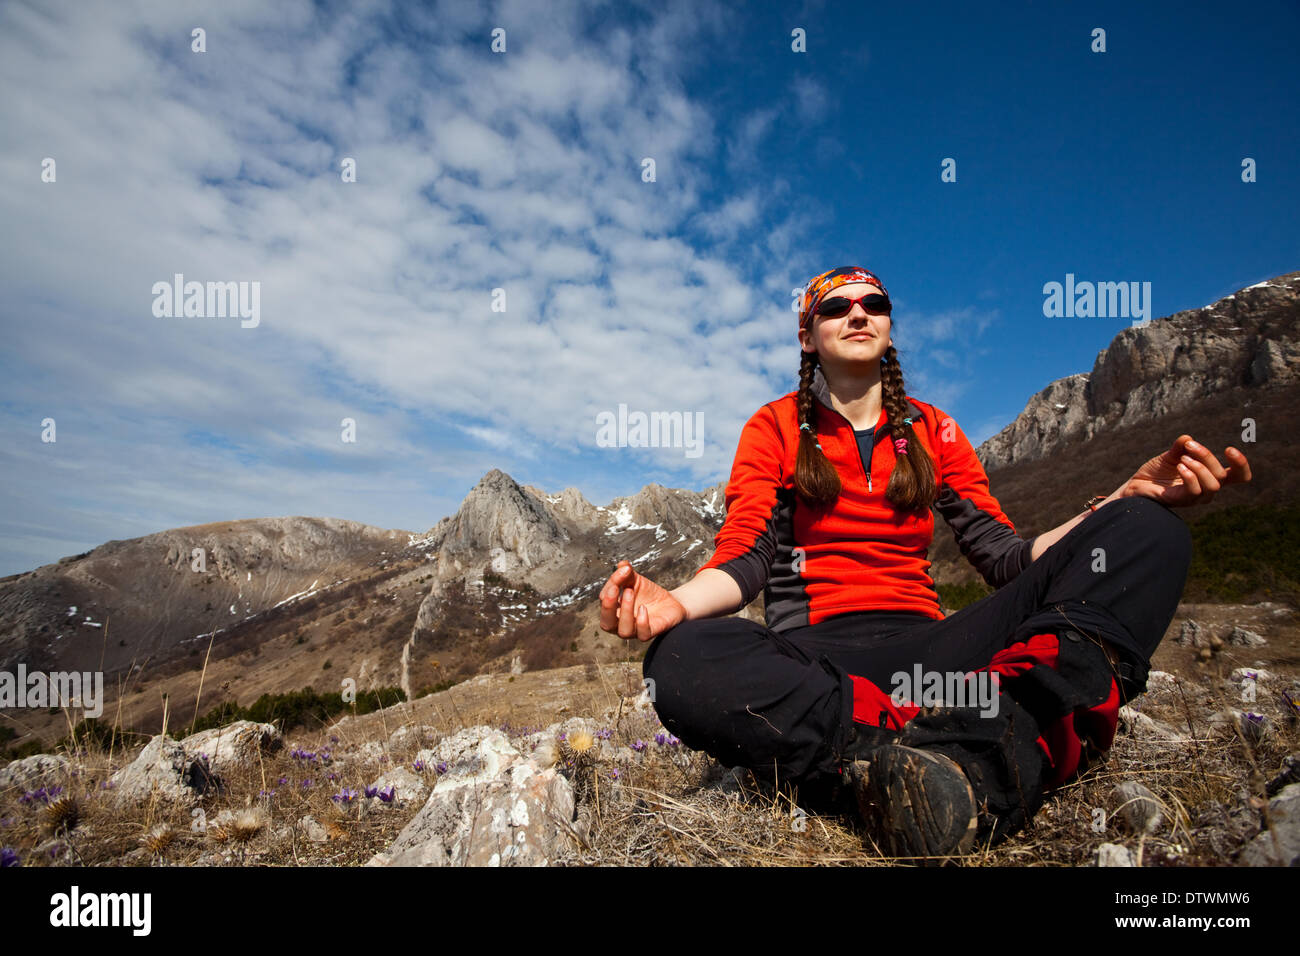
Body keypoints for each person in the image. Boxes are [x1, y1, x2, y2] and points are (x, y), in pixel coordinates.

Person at [599, 264, 1253, 862]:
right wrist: (678, 606)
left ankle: (967, 758)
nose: (859, 314)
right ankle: (940, 753)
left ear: (887, 324)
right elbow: (746, 557)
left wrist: (1118, 503)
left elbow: (1007, 558)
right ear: (808, 335)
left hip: (937, 653)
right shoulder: (773, 429)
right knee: (681, 656)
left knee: (1151, 530)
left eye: (874, 303)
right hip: (823, 661)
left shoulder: (934, 430)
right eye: (837, 307)